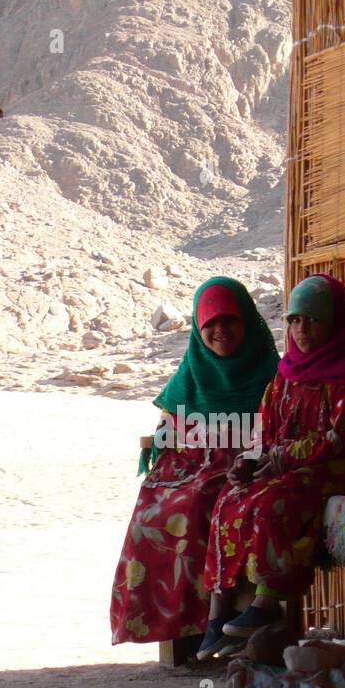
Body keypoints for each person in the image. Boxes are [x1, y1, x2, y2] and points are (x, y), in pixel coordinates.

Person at [200, 272, 345, 650]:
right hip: (288, 469)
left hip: (332, 471)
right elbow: (265, 431)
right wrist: (249, 462)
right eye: (294, 320)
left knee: (276, 501)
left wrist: (281, 456)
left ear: (335, 322)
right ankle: (218, 608)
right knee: (230, 498)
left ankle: (268, 599)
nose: (302, 329)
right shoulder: (285, 376)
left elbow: (341, 439)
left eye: (313, 319)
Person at [110, 277, 278, 650]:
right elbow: (168, 426)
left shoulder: (270, 375)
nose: (220, 331)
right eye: (210, 323)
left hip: (246, 467)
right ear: (198, 328)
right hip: (189, 465)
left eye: (230, 321)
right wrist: (165, 442)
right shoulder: (190, 372)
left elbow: (278, 430)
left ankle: (220, 621)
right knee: (153, 509)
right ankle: (186, 629)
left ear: (247, 322)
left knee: (202, 500)